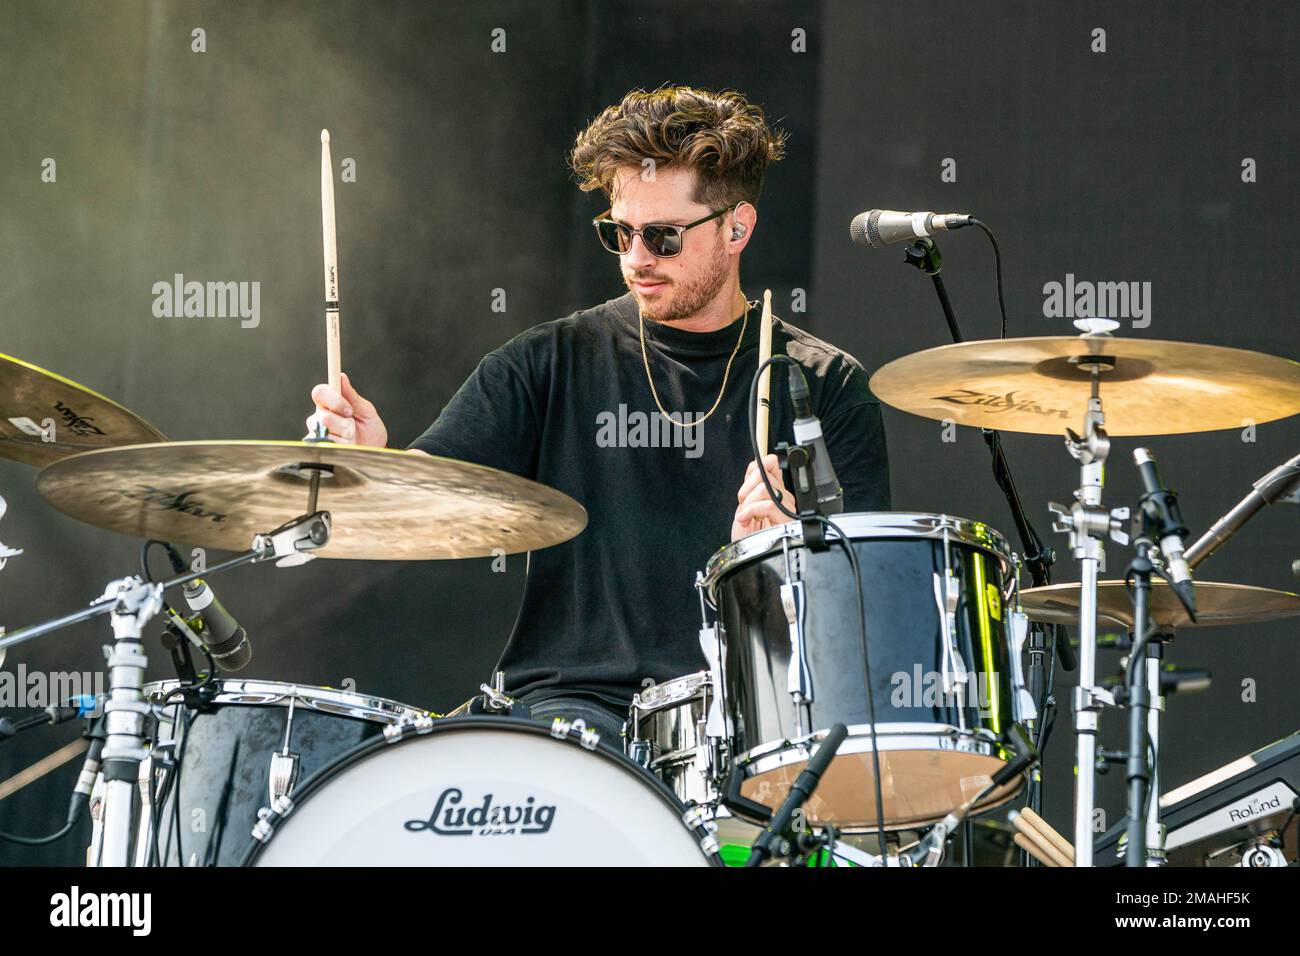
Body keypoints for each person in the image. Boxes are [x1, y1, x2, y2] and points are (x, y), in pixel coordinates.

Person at [308, 85, 890, 748]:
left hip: (742, 724)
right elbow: (419, 503)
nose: (636, 257)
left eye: (662, 236)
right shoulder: (548, 362)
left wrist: (790, 555)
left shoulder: (823, 386)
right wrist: (368, 464)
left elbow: (863, 620)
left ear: (737, 228)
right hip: (562, 712)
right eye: (620, 232)